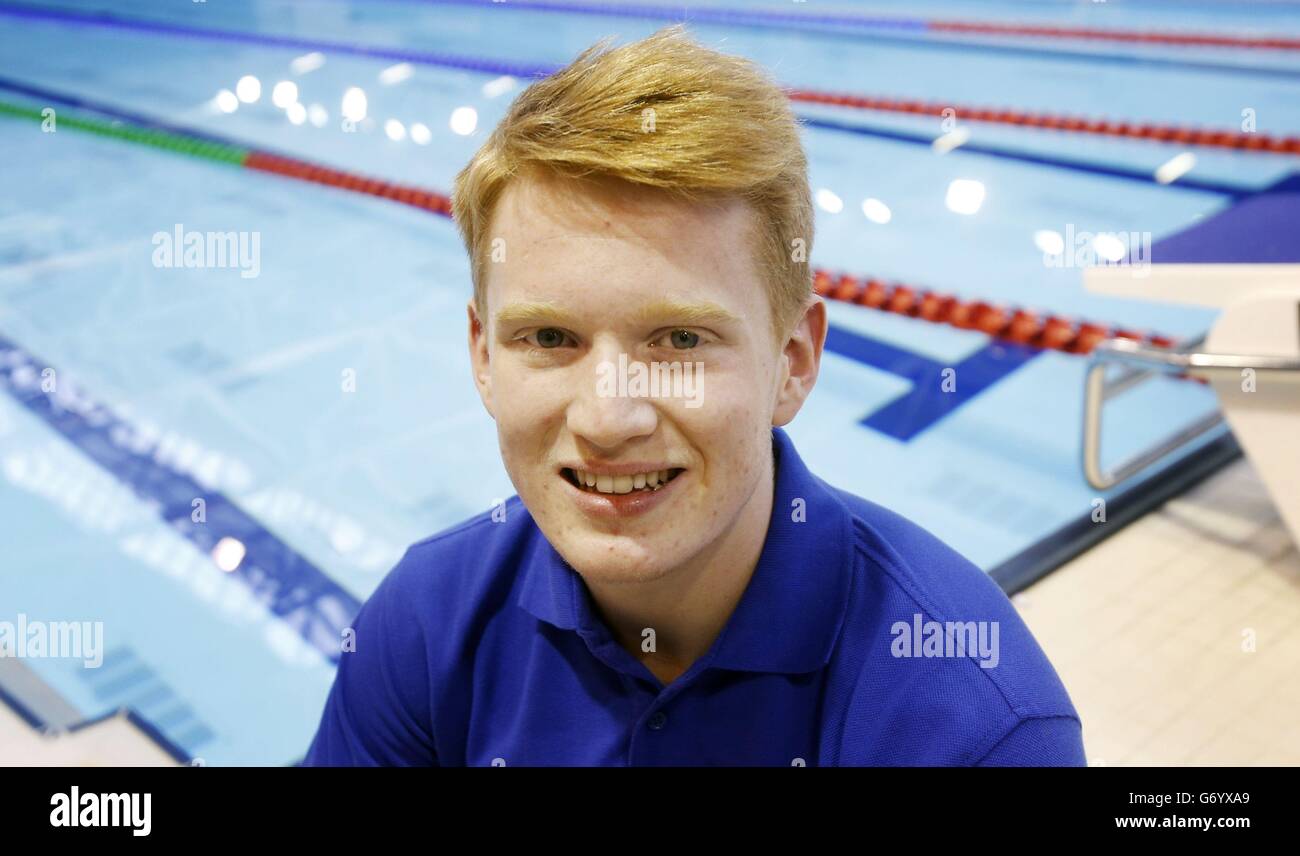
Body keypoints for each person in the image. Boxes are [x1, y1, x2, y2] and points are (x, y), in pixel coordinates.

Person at [302, 26, 1085, 766]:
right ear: (481, 356)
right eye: (548, 339)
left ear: (794, 361)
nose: (607, 420)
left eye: (680, 341)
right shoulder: (427, 624)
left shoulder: (970, 724)